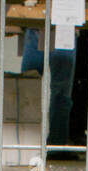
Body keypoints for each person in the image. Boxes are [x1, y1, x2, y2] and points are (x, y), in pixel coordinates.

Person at [21, 27, 77, 155]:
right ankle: (57, 145)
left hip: (37, 27)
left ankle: (23, 139)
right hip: (66, 27)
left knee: (28, 84)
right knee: (61, 91)